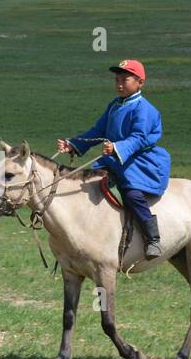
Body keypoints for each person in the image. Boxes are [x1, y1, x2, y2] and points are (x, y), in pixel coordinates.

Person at [57, 59, 170, 258]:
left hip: (140, 162)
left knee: (132, 194)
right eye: (117, 79)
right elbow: (97, 130)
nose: (119, 84)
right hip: (115, 159)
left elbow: (139, 137)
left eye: (125, 79)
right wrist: (73, 144)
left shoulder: (144, 109)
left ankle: (153, 239)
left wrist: (117, 147)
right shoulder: (114, 105)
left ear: (140, 82)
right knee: (89, 184)